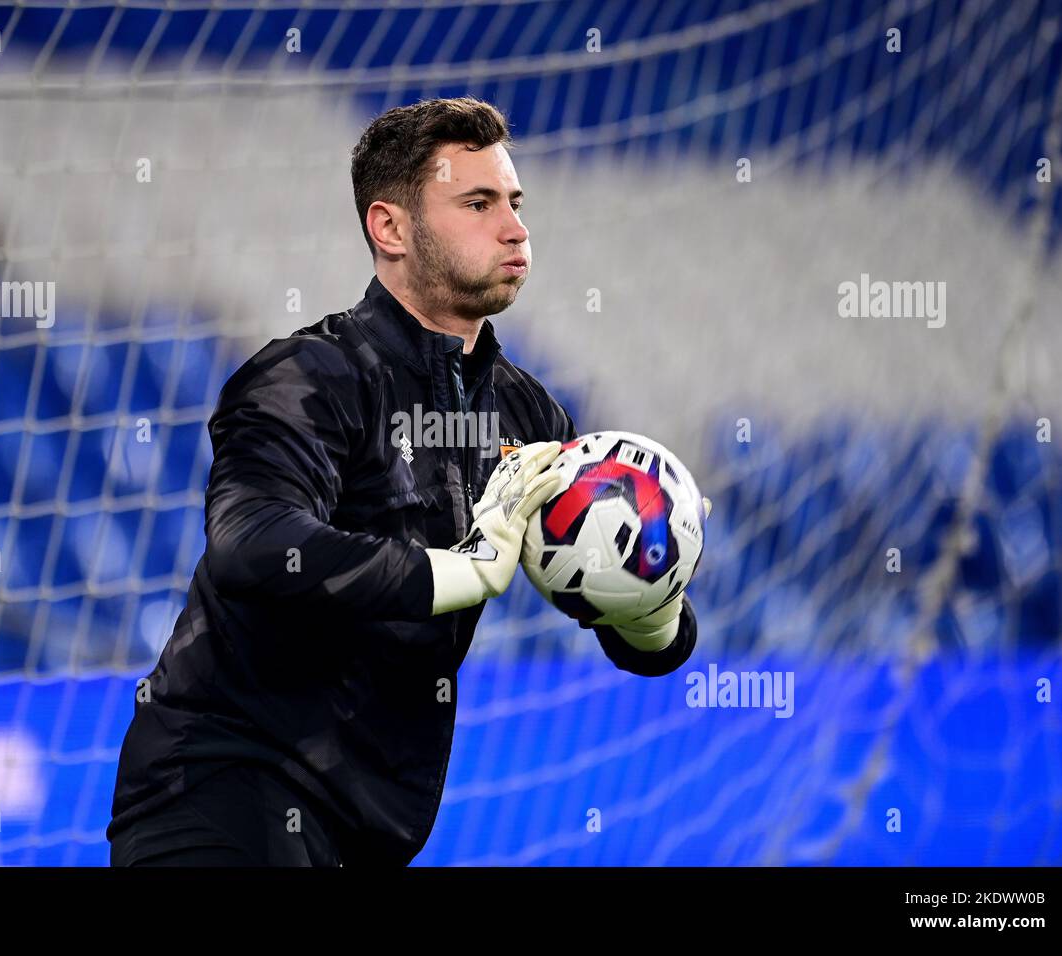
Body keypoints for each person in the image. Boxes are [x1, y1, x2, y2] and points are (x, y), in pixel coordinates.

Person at [107, 96, 699, 867]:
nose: (515, 228)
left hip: (369, 832)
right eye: (478, 204)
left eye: (515, 204)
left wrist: (655, 591)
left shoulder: (528, 413)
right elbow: (252, 545)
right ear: (389, 228)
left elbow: (649, 644)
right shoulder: (307, 376)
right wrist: (467, 571)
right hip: (219, 792)